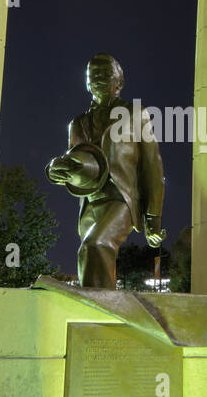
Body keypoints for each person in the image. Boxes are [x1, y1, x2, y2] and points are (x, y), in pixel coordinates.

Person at [46, 53, 165, 288]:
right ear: (87, 82)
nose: (98, 79)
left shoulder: (135, 113)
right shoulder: (77, 123)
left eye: (104, 74)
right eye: (93, 75)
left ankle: (98, 313)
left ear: (118, 82)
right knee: (88, 253)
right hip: (90, 202)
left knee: (96, 245)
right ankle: (100, 307)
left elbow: (152, 166)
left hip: (122, 198)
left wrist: (153, 218)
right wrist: (54, 169)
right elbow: (73, 160)